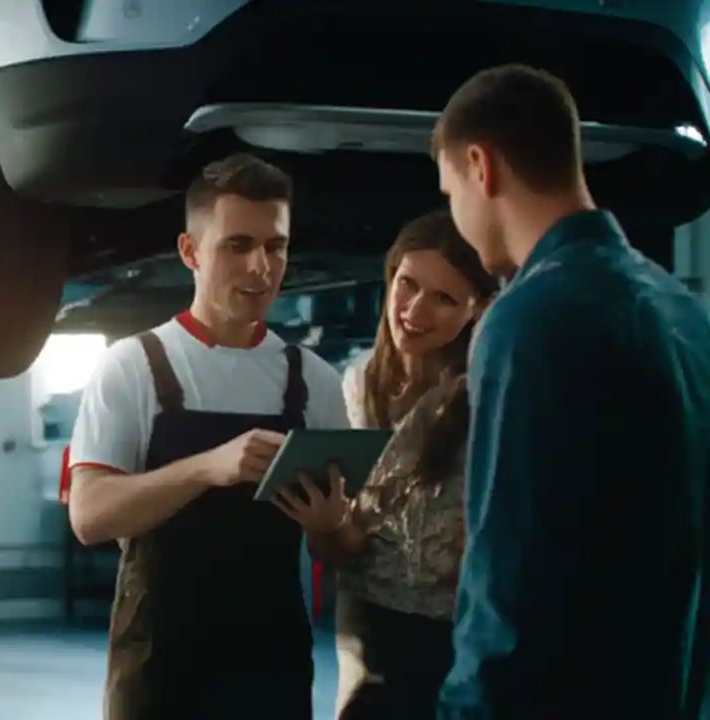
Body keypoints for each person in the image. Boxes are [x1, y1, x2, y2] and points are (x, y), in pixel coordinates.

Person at [431, 63, 710, 718]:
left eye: (451, 194)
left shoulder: (529, 316)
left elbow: (507, 592)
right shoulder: (685, 313)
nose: (458, 220)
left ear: (481, 166)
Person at [67, 152, 349, 720]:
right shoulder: (134, 366)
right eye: (238, 245)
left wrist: (330, 529)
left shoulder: (313, 381)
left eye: (276, 247)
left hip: (271, 669)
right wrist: (207, 467)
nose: (261, 268)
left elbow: (335, 550)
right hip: (158, 670)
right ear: (190, 252)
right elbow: (90, 515)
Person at [274, 209, 498, 719]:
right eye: (408, 284)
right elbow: (349, 547)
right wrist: (325, 524)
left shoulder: (488, 398)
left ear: (478, 307)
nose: (415, 310)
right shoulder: (357, 384)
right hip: (367, 632)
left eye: (444, 298)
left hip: (459, 637)